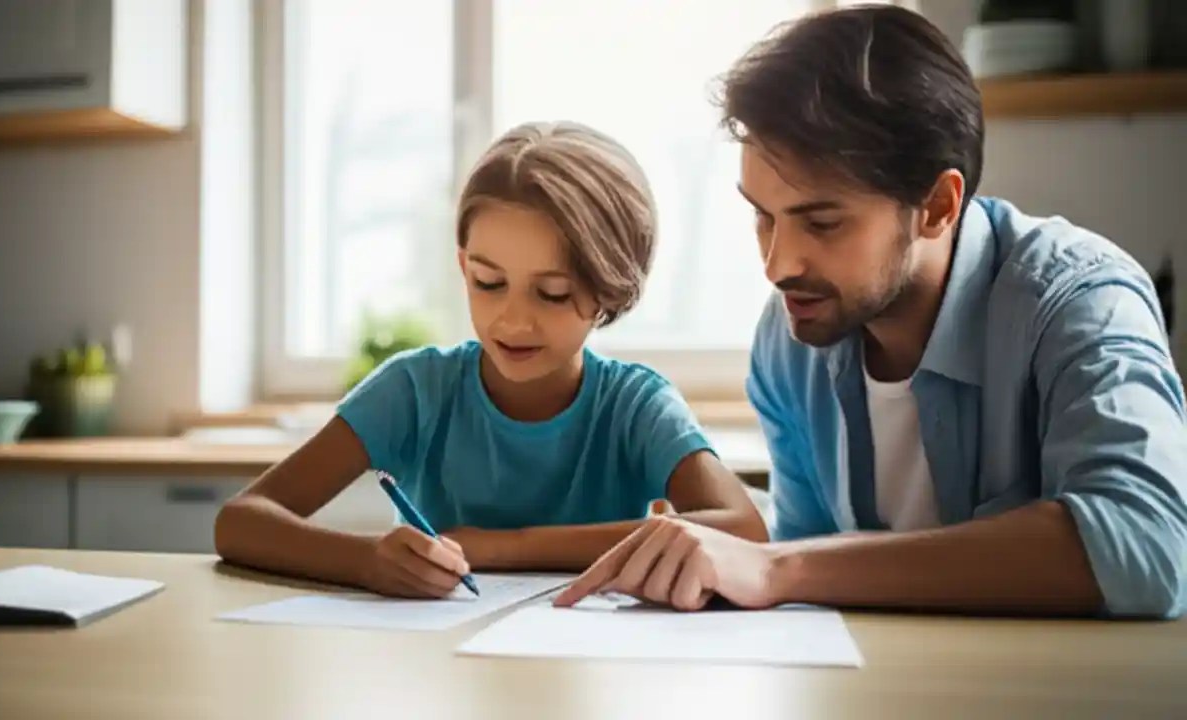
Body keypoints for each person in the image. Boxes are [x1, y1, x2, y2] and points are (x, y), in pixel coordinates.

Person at [555, 5, 1187, 618]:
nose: (777, 264)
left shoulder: (1079, 301)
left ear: (938, 205)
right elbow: (814, 603)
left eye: (822, 222)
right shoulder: (787, 341)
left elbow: (1146, 547)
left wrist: (782, 567)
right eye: (762, 216)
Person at [215, 121, 766, 598]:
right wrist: (364, 561)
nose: (513, 321)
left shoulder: (636, 405)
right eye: (489, 282)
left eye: (551, 292)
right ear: (463, 267)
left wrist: (502, 548)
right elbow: (240, 523)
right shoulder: (415, 389)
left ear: (610, 291)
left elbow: (742, 531)